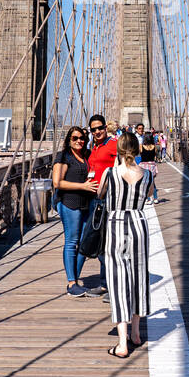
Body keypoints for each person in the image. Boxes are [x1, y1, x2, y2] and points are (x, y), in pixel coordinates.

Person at [101, 131, 153, 358]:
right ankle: (136, 333)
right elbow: (148, 195)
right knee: (139, 277)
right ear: (138, 150)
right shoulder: (148, 174)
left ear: (119, 150)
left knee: (118, 280)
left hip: (116, 224)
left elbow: (101, 193)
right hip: (139, 224)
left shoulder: (110, 172)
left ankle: (122, 344)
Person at [52, 126, 98, 297]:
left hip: (85, 203)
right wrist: (83, 186)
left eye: (83, 138)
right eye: (75, 138)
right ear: (69, 139)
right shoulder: (64, 156)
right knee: (72, 241)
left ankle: (76, 281)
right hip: (69, 203)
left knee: (84, 243)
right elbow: (57, 183)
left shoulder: (85, 155)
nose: (80, 141)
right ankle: (72, 283)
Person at [83, 114, 118, 298]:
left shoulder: (114, 144)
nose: (97, 131)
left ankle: (110, 285)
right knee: (98, 241)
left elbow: (127, 162)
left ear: (106, 127)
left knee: (106, 243)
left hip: (108, 199)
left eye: (100, 128)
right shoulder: (93, 147)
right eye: (93, 129)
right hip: (94, 199)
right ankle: (106, 284)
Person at [138, 131, 159, 204]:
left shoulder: (141, 146)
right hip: (152, 166)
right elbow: (156, 155)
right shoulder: (155, 147)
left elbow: (139, 153)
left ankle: (149, 199)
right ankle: (156, 198)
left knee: (145, 183)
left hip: (144, 166)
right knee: (153, 183)